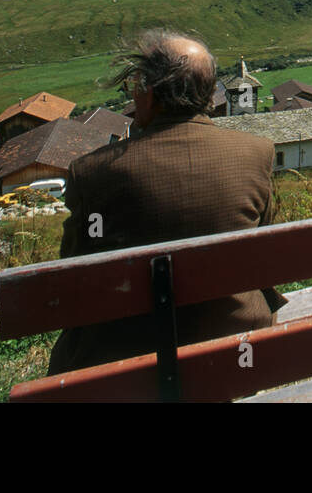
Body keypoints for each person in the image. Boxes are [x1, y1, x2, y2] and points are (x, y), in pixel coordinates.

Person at [46, 29, 286, 375]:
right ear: (209, 91)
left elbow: (70, 282)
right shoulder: (255, 153)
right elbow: (260, 254)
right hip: (232, 351)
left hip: (125, 366)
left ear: (151, 93)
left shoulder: (93, 173)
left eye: (137, 85)